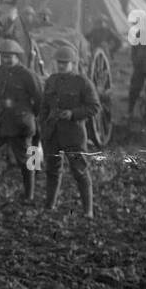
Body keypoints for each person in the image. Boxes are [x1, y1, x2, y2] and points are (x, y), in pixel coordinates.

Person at [0, 38, 43, 205]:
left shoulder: (27, 75)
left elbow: (39, 99)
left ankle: (29, 195)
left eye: (10, 56)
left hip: (20, 125)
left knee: (27, 160)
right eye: (3, 56)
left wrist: (32, 117)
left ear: (17, 57)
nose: (6, 60)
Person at [39, 43, 99, 218]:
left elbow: (94, 107)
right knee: (52, 170)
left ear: (73, 63)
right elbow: (43, 107)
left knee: (80, 171)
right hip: (52, 134)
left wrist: (73, 114)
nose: (61, 65)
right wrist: (43, 124)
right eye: (59, 62)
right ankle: (50, 205)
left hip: (73, 134)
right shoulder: (51, 81)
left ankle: (88, 210)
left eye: (65, 63)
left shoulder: (82, 82)